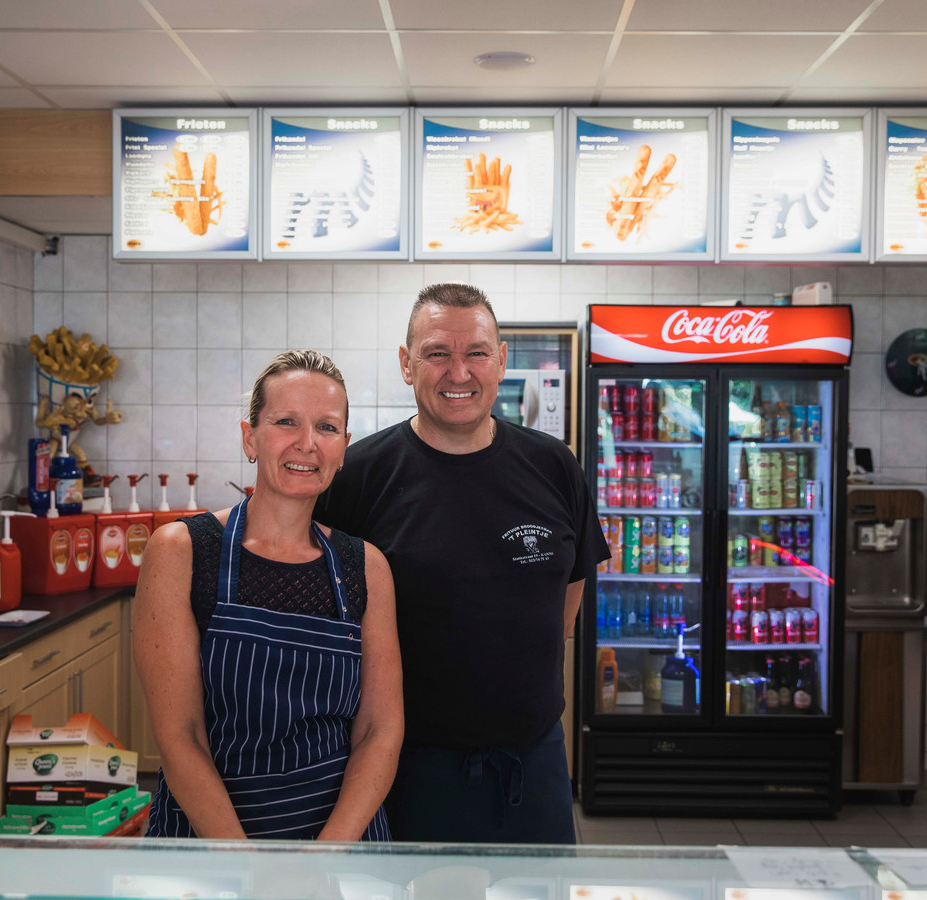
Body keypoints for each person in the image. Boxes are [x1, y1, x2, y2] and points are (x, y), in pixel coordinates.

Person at [315, 283, 610, 844]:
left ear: (501, 360)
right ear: (407, 363)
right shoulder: (358, 476)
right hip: (404, 769)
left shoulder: (554, 466)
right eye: (437, 353)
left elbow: (568, 595)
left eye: (476, 352)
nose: (459, 372)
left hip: (535, 765)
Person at [136, 350, 402, 841]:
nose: (307, 443)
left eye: (326, 427)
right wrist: (247, 867)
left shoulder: (366, 567)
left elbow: (378, 731)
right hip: (208, 847)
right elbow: (182, 736)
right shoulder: (181, 552)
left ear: (343, 448)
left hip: (340, 845)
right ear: (250, 437)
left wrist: (325, 858)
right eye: (286, 422)